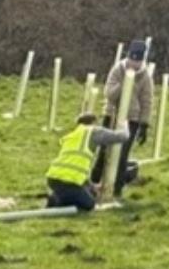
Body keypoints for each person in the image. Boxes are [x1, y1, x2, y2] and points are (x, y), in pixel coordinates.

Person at [96, 42, 156, 198]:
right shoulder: (117, 70)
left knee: (122, 155)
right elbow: (109, 93)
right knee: (103, 151)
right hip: (111, 115)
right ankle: (94, 182)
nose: (133, 64)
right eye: (131, 60)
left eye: (137, 61)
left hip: (132, 120)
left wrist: (144, 125)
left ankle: (116, 189)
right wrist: (124, 84)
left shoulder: (145, 77)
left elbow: (147, 101)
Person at [46, 113, 135, 214]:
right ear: (93, 123)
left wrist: (92, 186)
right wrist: (126, 124)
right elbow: (122, 137)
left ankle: (57, 199)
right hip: (68, 182)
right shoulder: (93, 131)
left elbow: (77, 167)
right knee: (89, 205)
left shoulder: (73, 136)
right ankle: (57, 201)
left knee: (79, 194)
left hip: (53, 179)